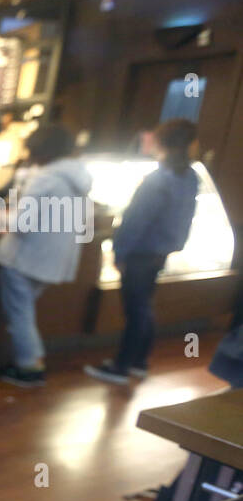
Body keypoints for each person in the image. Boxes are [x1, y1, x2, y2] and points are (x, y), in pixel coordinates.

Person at [85, 119, 200, 385]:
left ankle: (121, 367)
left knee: (136, 310)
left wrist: (119, 251)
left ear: (161, 141)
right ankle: (139, 361)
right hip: (160, 252)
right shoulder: (189, 176)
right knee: (144, 307)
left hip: (140, 252)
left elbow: (136, 221)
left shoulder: (158, 179)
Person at [0, 124, 93, 387]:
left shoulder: (45, 177)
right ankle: (32, 361)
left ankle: (29, 368)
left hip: (24, 257)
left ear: (41, 151)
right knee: (25, 312)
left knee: (20, 314)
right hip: (54, 260)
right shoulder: (78, 177)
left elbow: (21, 223)